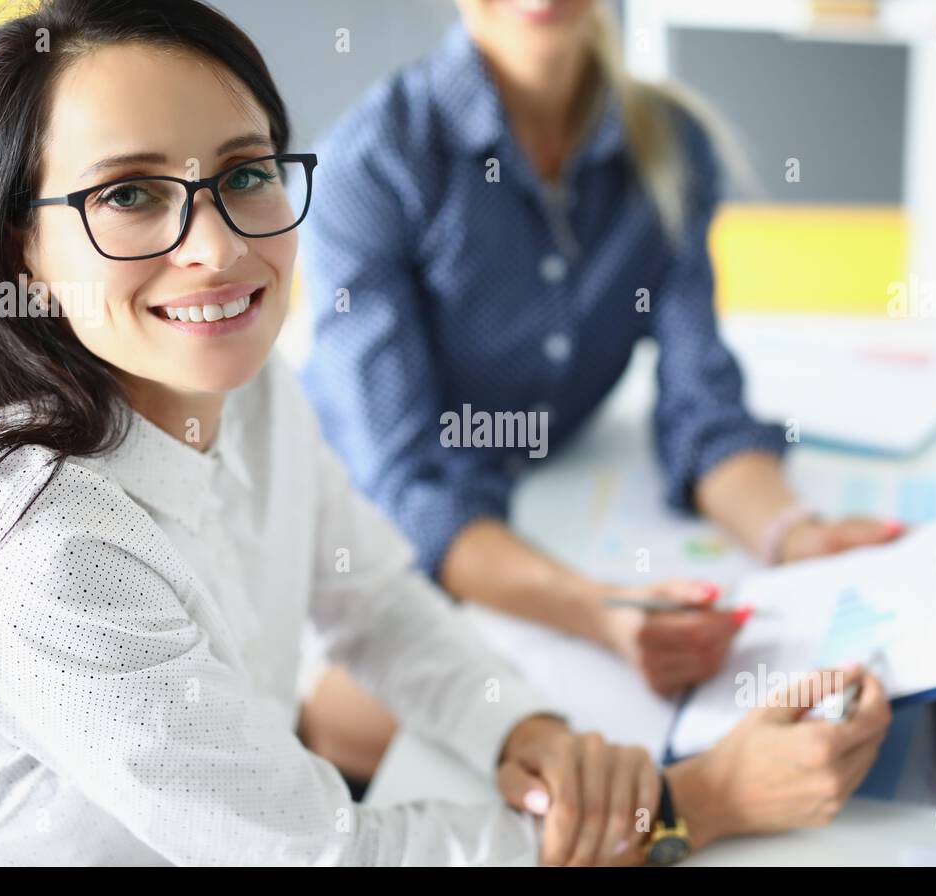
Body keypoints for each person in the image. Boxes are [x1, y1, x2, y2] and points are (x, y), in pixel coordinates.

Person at [298, 0, 902, 780]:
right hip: (363, 525)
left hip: (552, 502)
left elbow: (702, 406)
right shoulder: (371, 162)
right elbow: (412, 487)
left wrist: (792, 534)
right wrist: (597, 611)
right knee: (393, 742)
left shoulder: (670, 143)